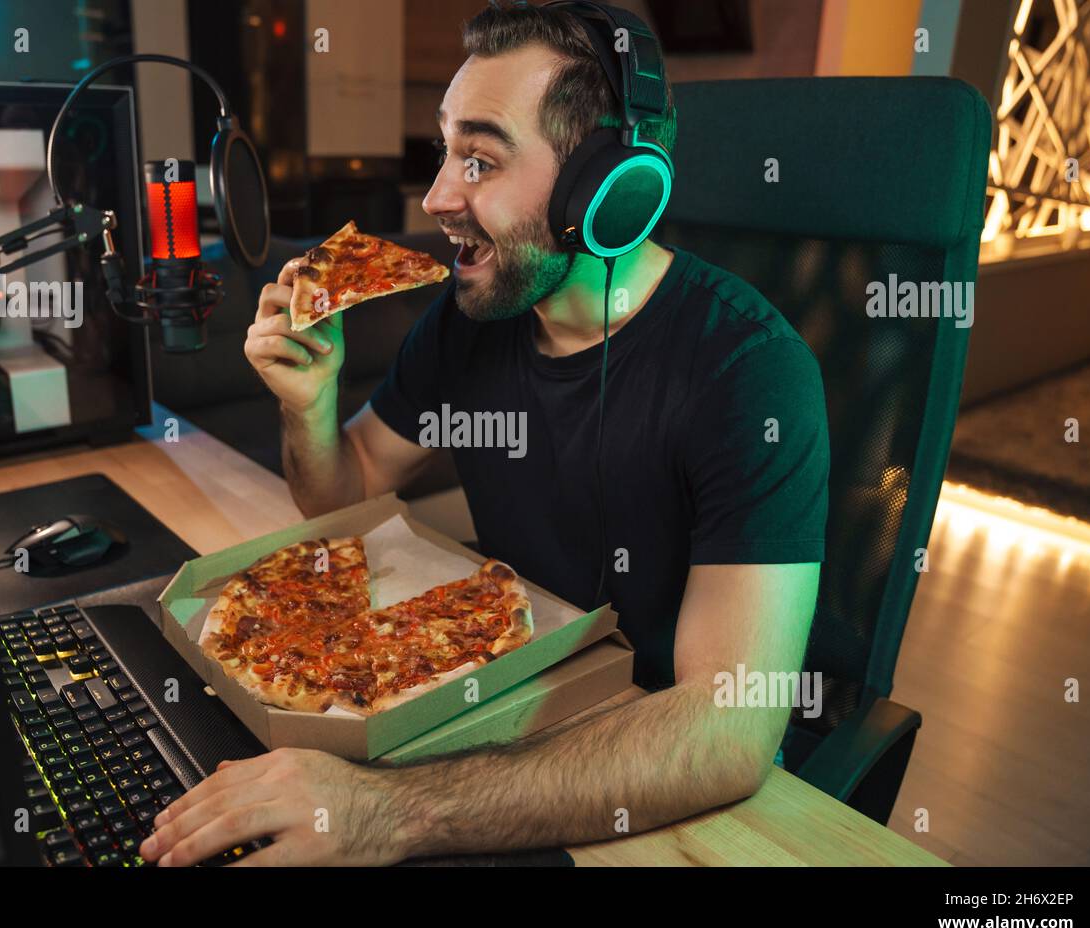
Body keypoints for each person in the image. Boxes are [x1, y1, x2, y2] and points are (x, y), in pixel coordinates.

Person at [141, 1, 829, 866]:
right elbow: (346, 490)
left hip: (655, 775)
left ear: (605, 187)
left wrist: (384, 813)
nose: (435, 197)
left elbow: (726, 726)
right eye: (444, 151)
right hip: (493, 704)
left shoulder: (750, 373)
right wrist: (310, 404)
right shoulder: (475, 316)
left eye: (480, 159)